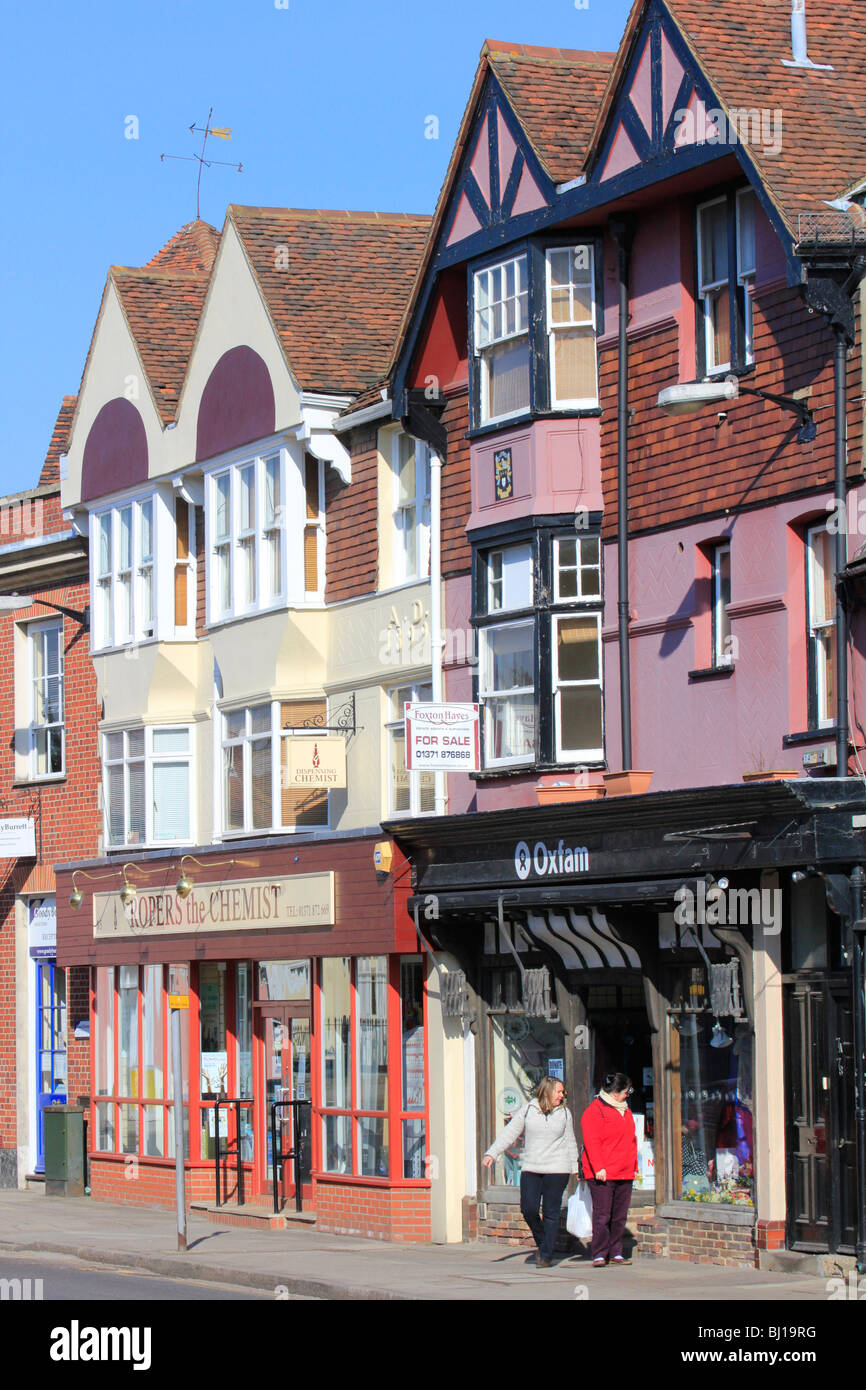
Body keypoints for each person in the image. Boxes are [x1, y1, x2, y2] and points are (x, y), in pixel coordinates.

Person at [482, 1076, 579, 1269]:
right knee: (529, 1208)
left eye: (562, 1092)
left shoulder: (565, 1113)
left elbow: (570, 1141)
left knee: (551, 1212)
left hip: (557, 1169)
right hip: (532, 1167)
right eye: (558, 1092)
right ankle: (544, 1242)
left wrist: (576, 1168)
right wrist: (492, 1153)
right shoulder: (528, 1110)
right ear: (547, 1091)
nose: (562, 1095)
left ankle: (546, 1255)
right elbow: (510, 1133)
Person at [580, 1072, 639, 1267]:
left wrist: (634, 1166)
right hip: (603, 1171)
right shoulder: (594, 1111)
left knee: (620, 1215)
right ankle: (599, 1253)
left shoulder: (626, 1111)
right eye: (626, 1091)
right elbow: (592, 1142)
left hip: (624, 1169)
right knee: (603, 1214)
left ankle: (616, 1252)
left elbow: (631, 1140)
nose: (628, 1095)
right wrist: (599, 1167)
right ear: (615, 1092)